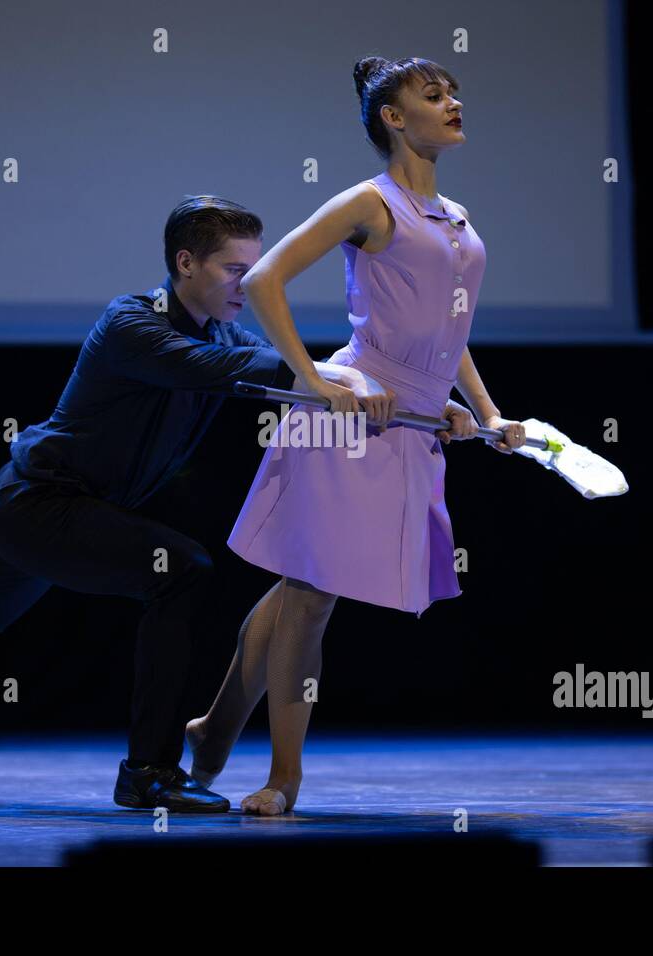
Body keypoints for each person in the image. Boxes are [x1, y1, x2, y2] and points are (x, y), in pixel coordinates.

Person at [0, 196, 393, 812]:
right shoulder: (132, 323)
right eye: (235, 270)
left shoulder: (224, 332)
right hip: (37, 504)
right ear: (185, 263)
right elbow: (229, 367)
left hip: (72, 514)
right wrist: (321, 379)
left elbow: (270, 371)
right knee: (182, 572)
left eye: (253, 270)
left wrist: (386, 397)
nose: (248, 282)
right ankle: (148, 772)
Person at [184, 56, 531, 815]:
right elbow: (265, 278)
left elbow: (448, 328)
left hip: (405, 423)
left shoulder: (459, 219)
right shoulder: (368, 204)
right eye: (433, 96)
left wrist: (482, 408)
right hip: (350, 415)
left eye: (454, 92)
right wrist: (316, 380)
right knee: (310, 598)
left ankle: (213, 730)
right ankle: (283, 778)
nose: (454, 103)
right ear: (393, 118)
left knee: (303, 589)